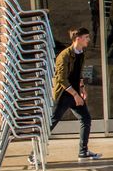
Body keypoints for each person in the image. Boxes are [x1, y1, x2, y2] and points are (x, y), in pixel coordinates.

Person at [42, 27, 101, 163]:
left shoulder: (81, 53)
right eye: (86, 37)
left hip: (75, 92)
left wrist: (82, 88)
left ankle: (83, 151)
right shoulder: (64, 55)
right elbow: (61, 79)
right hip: (64, 93)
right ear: (78, 38)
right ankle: (34, 154)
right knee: (51, 122)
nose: (88, 40)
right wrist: (75, 94)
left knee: (85, 119)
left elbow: (78, 73)